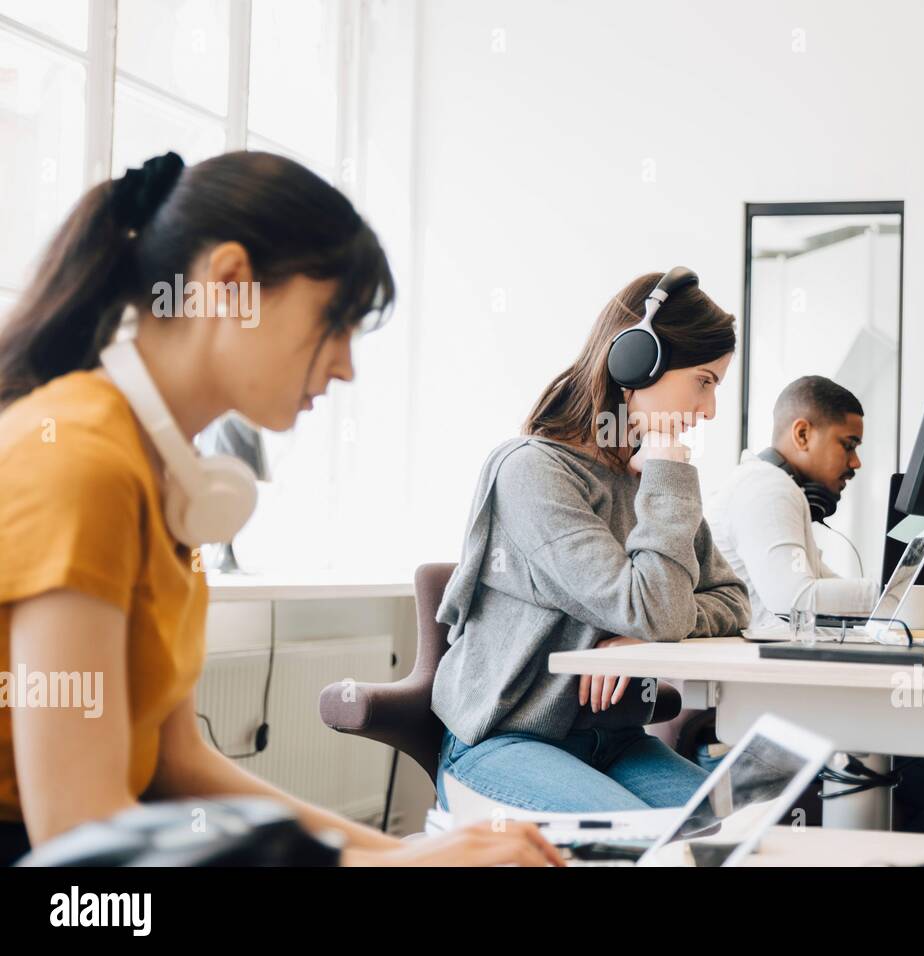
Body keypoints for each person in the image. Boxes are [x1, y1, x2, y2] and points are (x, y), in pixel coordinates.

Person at [0, 151, 562, 867]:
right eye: (335, 322)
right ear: (230, 282)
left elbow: (180, 765)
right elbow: (76, 835)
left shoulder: (163, 475)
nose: (346, 366)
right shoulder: (79, 456)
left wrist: (410, 851)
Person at [433, 271, 751, 812]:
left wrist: (641, 640)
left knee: (733, 836)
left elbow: (733, 599)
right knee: (645, 849)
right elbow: (653, 610)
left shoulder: (651, 478)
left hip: (619, 742)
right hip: (506, 743)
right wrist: (652, 622)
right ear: (635, 363)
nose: (710, 410)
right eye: (705, 381)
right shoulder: (533, 471)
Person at [706, 375, 877, 628]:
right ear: (802, 434)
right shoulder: (767, 487)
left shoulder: (771, 485)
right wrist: (895, 594)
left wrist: (896, 596)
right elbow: (795, 599)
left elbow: (822, 583)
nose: (856, 463)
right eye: (848, 445)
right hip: (752, 662)